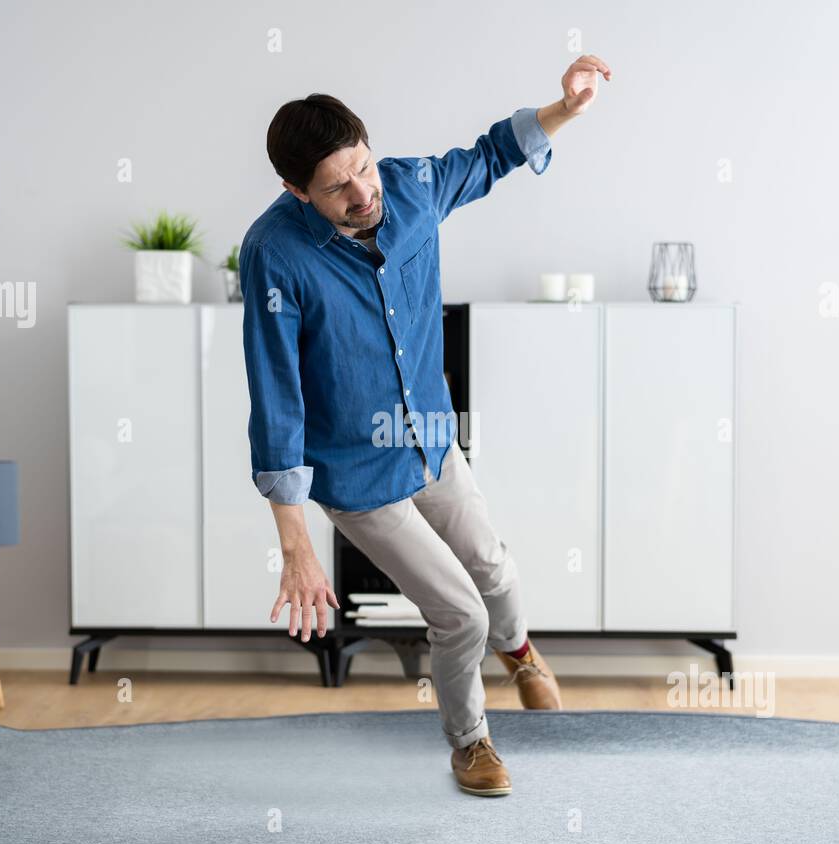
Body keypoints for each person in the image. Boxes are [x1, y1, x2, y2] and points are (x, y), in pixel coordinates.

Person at [240, 55, 613, 796]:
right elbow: (276, 396)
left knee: (496, 573)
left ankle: (525, 656)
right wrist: (296, 545)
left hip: (430, 442)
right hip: (356, 476)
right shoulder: (273, 254)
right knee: (459, 614)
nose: (362, 193)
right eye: (337, 187)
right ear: (295, 191)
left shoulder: (408, 189)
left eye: (364, 169)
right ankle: (471, 742)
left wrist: (565, 108)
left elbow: (490, 155)